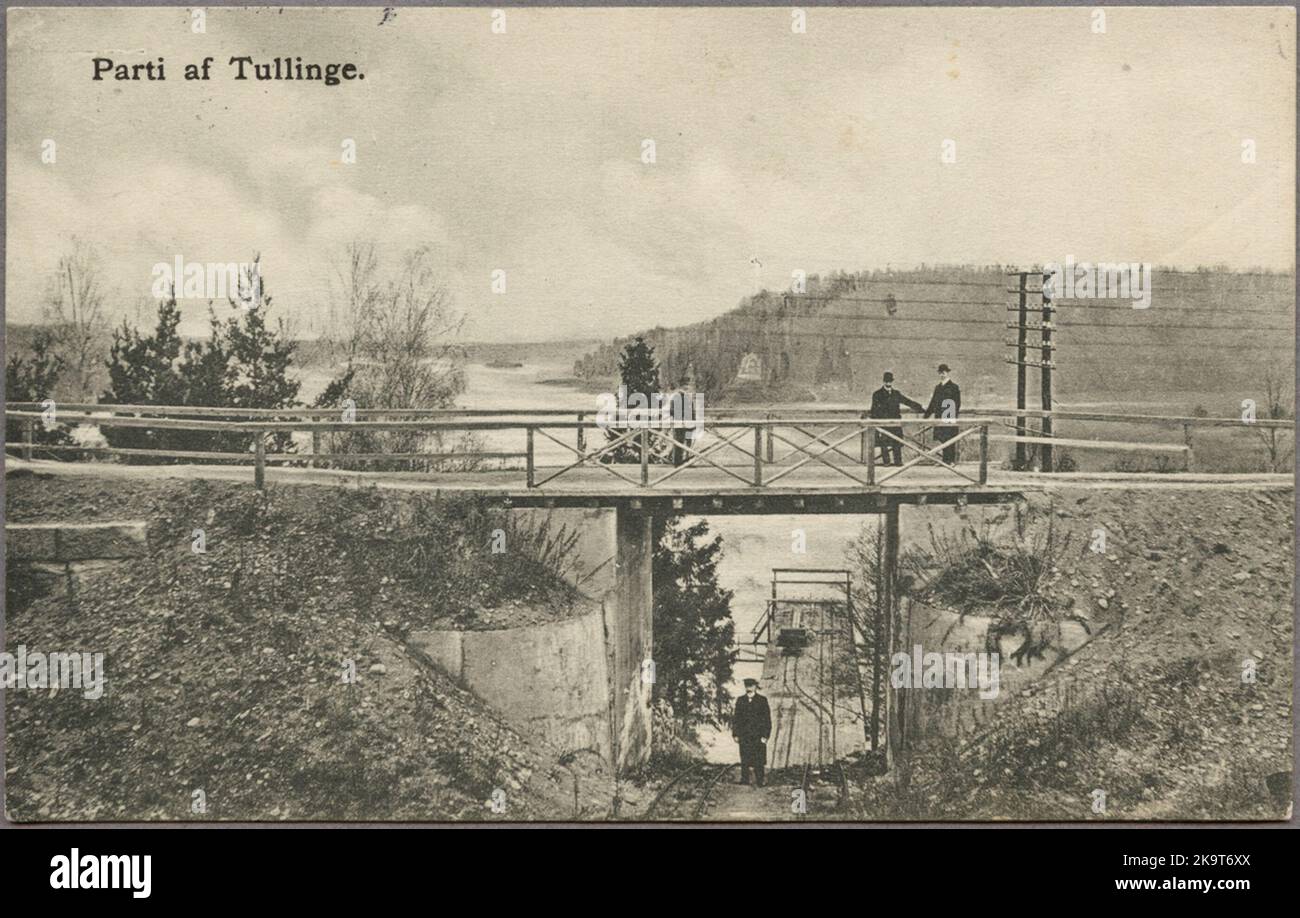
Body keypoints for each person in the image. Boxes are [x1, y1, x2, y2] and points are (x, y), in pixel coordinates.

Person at [869, 372, 924, 466]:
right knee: (884, 443)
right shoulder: (877, 394)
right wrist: (876, 422)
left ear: (892, 382)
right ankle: (886, 462)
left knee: (897, 442)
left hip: (896, 422)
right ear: (883, 382)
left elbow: (907, 401)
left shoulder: (896, 393)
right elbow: (873, 410)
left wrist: (919, 408)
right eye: (886, 381)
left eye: (890, 381)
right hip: (884, 422)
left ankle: (898, 461)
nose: (888, 383)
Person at [732, 678, 771, 786]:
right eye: (747, 686)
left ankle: (760, 780)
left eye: (751, 686)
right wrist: (735, 734)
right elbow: (736, 718)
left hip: (758, 735)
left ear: (755, 687)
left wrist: (765, 735)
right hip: (744, 735)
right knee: (744, 757)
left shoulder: (762, 700)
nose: (749, 688)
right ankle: (745, 779)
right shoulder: (740, 700)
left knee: (759, 758)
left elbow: (767, 719)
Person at [923, 363, 962, 465]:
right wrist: (926, 415)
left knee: (950, 438)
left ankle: (951, 461)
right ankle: (945, 460)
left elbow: (957, 403)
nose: (942, 375)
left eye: (944, 373)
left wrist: (952, 416)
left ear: (948, 373)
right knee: (943, 439)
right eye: (940, 373)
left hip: (949, 416)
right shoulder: (938, 387)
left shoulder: (954, 387)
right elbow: (933, 402)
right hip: (939, 416)